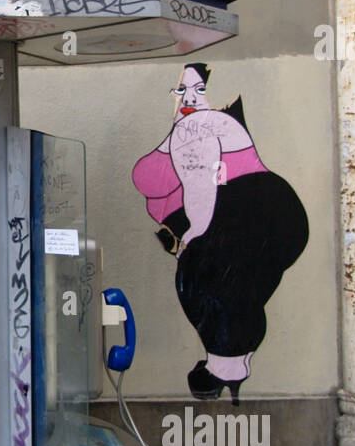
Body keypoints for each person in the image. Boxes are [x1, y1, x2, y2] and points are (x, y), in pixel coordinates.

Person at [132, 63, 308, 402]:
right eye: (181, 89)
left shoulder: (193, 129)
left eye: (198, 89)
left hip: (239, 213)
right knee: (239, 294)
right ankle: (233, 366)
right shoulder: (202, 127)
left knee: (200, 283)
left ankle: (225, 366)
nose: (188, 98)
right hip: (272, 215)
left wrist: (197, 233)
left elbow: (203, 180)